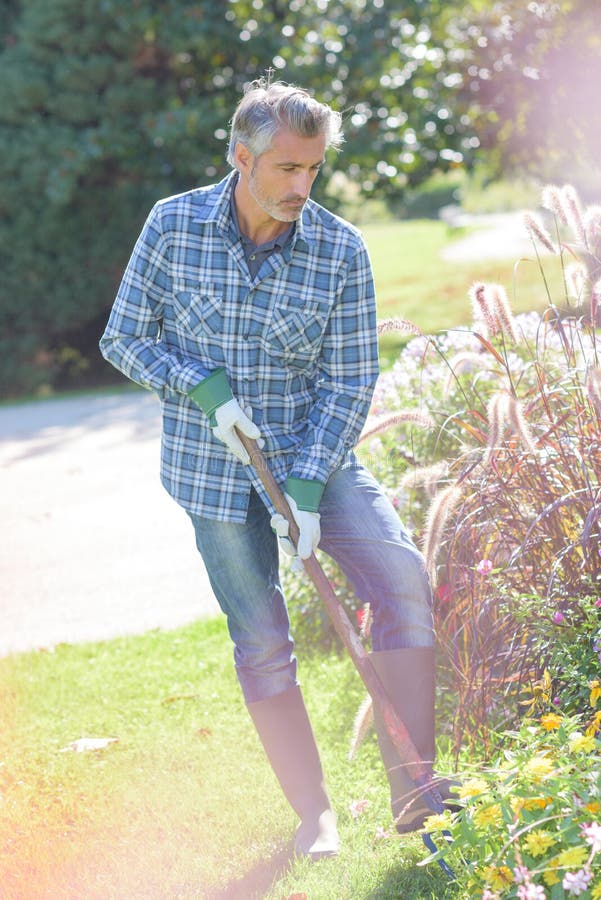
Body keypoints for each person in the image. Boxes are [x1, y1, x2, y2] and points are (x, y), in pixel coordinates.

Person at [100, 78, 448, 860]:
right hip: (209, 472)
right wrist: (197, 384)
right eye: (286, 168)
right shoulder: (173, 225)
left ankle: (417, 790)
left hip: (308, 455)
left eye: (313, 170)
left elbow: (351, 378)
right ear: (241, 156)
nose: (301, 186)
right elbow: (123, 338)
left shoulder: (339, 250)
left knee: (398, 575)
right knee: (260, 637)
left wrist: (304, 481)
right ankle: (313, 816)